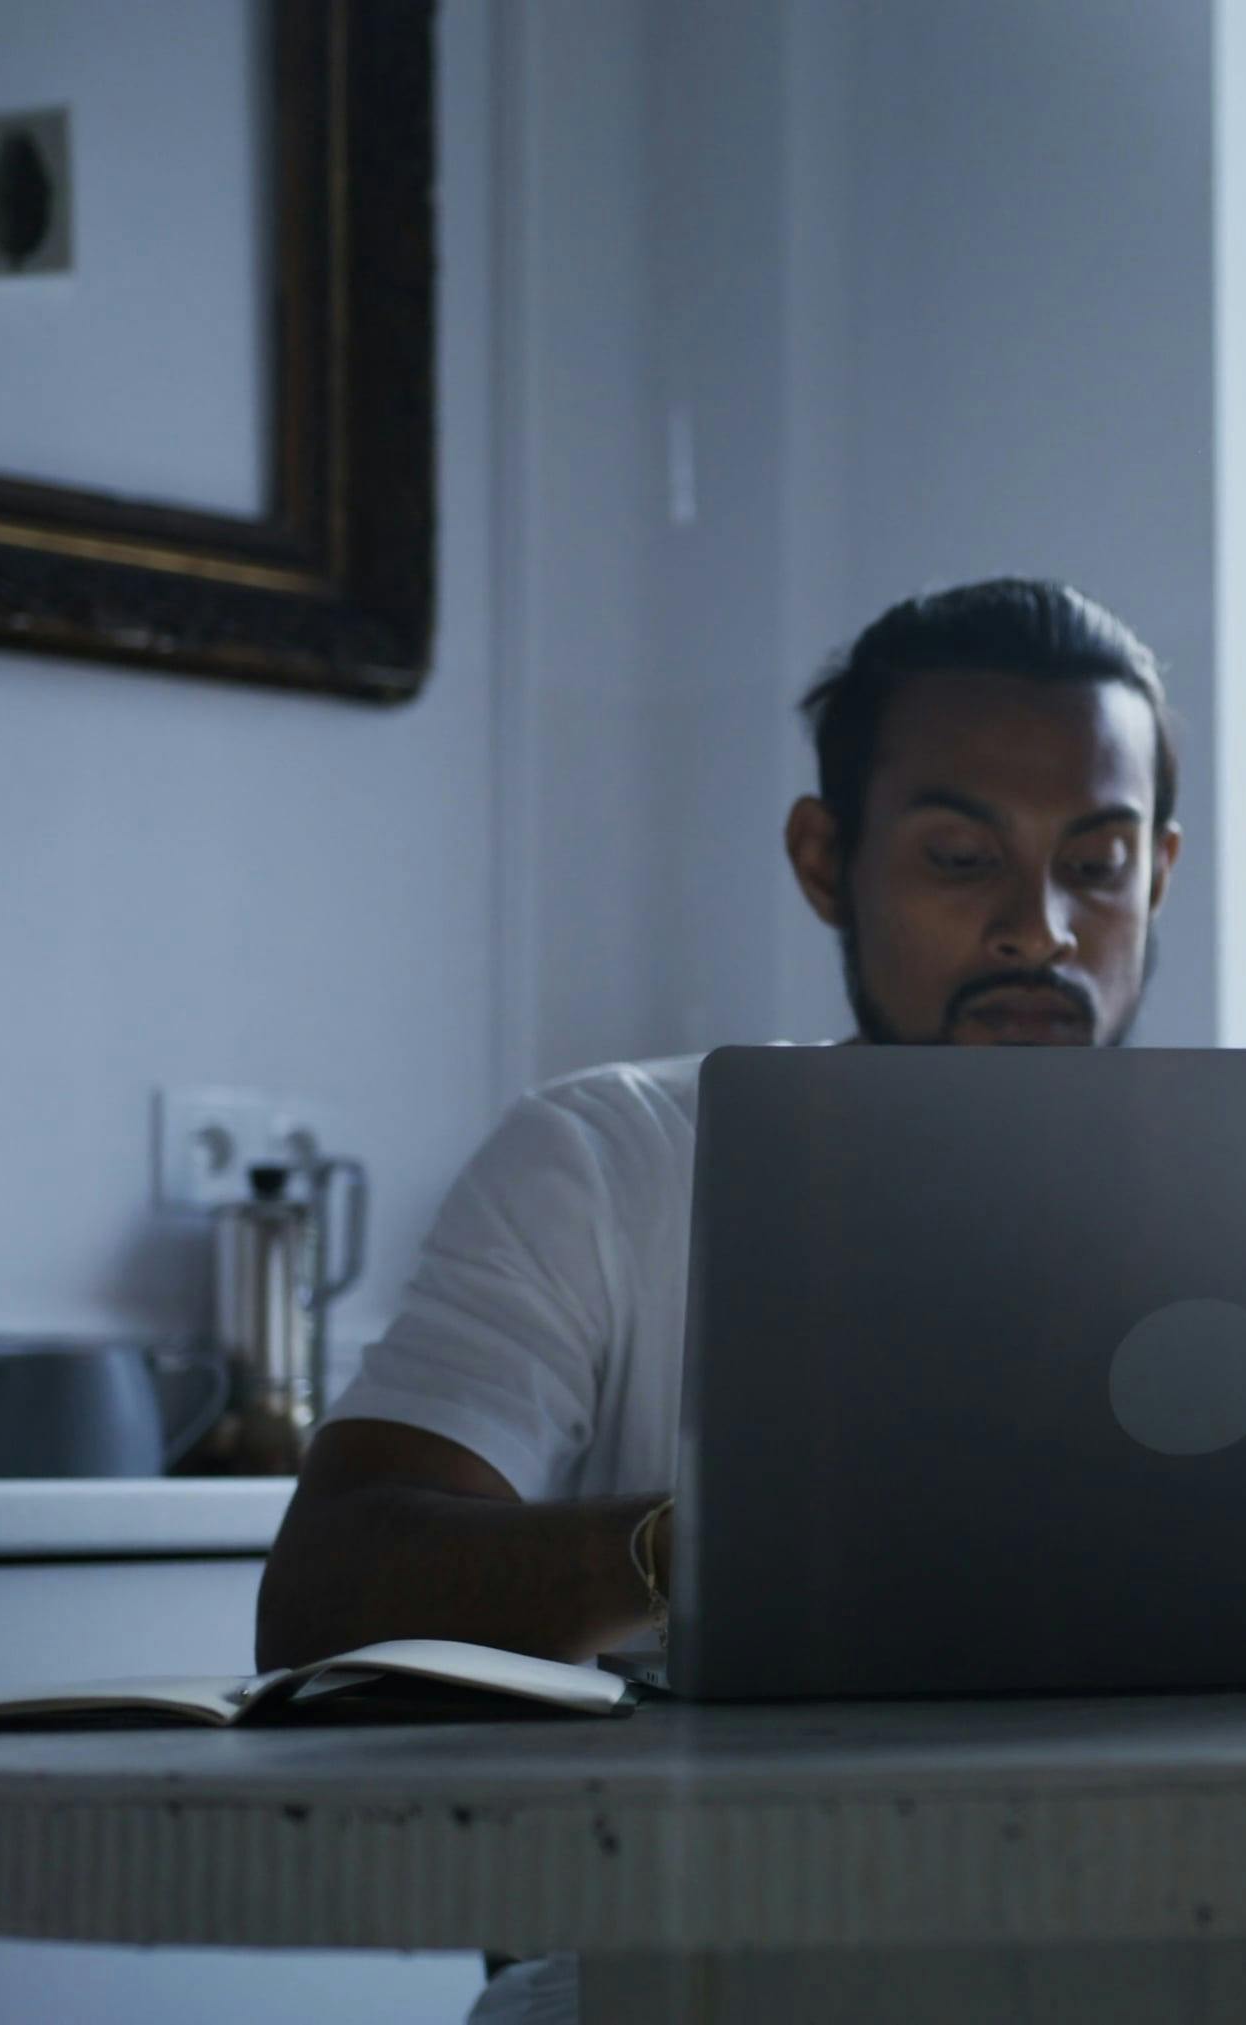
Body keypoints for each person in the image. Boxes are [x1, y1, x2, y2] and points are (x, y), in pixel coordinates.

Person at [253, 577, 1186, 1672]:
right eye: (962, 859)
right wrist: (729, 1549)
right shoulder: (610, 1160)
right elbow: (328, 1598)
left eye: (1095, 867)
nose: (1041, 932)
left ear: (1158, 875)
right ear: (824, 862)